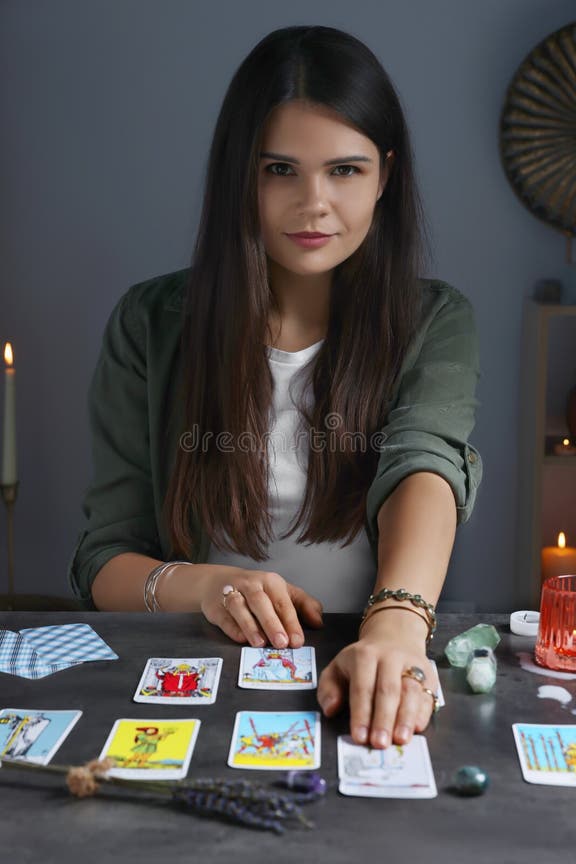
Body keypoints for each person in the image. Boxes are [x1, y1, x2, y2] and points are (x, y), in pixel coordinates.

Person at [67, 25, 483, 751]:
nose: (314, 203)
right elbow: (105, 561)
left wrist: (393, 632)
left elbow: (426, 465)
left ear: (385, 175)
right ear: (240, 175)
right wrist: (208, 586)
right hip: (197, 665)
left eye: (345, 170)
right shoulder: (150, 322)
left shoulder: (435, 320)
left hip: (369, 652)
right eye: (280, 170)